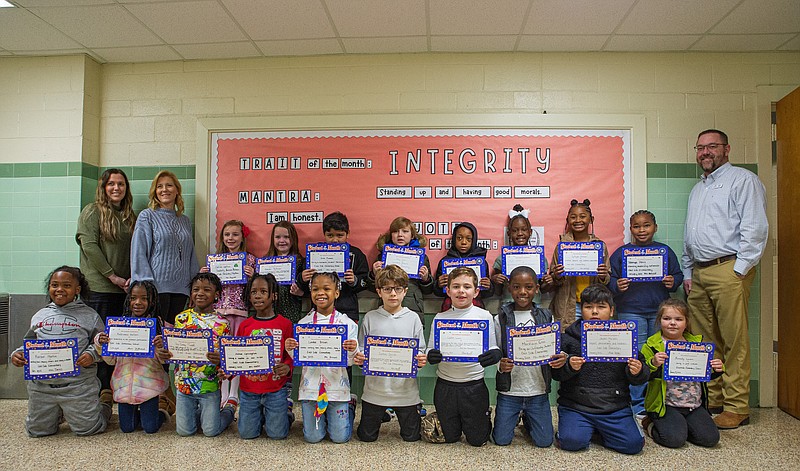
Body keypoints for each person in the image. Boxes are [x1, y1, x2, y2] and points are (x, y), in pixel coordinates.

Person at [682, 129, 768, 429]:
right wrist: (688, 270)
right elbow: (691, 233)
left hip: (728, 267)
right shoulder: (699, 189)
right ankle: (714, 399)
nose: (705, 152)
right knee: (706, 341)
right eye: (700, 147)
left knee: (734, 340)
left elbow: (755, 227)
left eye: (712, 146)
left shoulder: (743, 180)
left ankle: (737, 406)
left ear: (726, 149)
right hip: (700, 272)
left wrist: (740, 268)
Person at [11, 266, 111, 437]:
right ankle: (57, 413)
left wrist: (91, 355)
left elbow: (102, 344)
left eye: (66, 285)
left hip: (77, 386)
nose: (59, 290)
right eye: (54, 285)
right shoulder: (40, 315)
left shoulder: (90, 315)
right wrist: (18, 354)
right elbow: (29, 343)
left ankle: (104, 406)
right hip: (42, 386)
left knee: (88, 430)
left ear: (77, 290)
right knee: (37, 432)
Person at [552, 284, 647, 455]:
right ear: (582, 310)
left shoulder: (624, 336)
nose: (594, 312)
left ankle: (600, 430)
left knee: (633, 445)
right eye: (588, 307)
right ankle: (587, 429)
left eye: (601, 307)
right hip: (576, 406)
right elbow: (556, 374)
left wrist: (637, 371)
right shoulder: (567, 338)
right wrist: (569, 367)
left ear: (611, 311)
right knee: (571, 442)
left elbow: (641, 376)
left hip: (615, 407)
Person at [608, 210, 683, 416]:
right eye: (637, 226)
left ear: (655, 227)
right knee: (636, 358)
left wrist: (672, 281)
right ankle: (637, 405)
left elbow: (678, 275)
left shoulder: (664, 252)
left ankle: (659, 401)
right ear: (630, 229)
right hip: (630, 312)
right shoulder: (622, 253)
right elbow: (609, 280)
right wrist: (618, 285)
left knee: (660, 356)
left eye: (646, 225)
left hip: (660, 314)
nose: (642, 230)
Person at [76, 168, 137, 406]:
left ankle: (113, 390)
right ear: (103, 187)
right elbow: (89, 246)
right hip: (99, 288)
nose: (116, 188)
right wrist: (113, 277)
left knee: (118, 343)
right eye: (111, 184)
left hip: (124, 291)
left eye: (121, 184)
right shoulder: (92, 212)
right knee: (100, 342)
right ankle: (99, 393)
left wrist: (131, 279)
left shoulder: (130, 216)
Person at [426, 267, 501, 446]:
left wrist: (494, 354)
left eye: (467, 287)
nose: (461, 291)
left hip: (474, 385)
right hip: (445, 386)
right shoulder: (440, 318)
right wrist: (431, 355)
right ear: (448, 290)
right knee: (450, 438)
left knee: (477, 440)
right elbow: (429, 350)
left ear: (476, 292)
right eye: (456, 286)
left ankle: (483, 416)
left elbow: (493, 347)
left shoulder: (484, 316)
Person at [493, 266, 566, 447]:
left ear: (536, 289)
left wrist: (560, 357)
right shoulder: (501, 317)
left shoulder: (546, 316)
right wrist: (500, 365)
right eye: (517, 287)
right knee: (501, 440)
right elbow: (494, 349)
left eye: (528, 287)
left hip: (537, 389)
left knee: (544, 442)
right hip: (510, 389)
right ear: (509, 287)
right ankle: (513, 417)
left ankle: (527, 420)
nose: (522, 292)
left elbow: (554, 348)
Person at [354, 265, 427, 442]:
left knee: (412, 437)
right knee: (366, 437)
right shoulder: (371, 317)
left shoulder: (413, 318)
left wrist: (420, 359)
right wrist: (360, 358)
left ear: (405, 291)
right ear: (379, 292)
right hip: (375, 391)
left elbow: (421, 350)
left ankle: (404, 413)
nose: (393, 293)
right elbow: (362, 349)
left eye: (398, 289)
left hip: (405, 392)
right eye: (387, 289)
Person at [285, 272, 359, 443]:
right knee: (312, 437)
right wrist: (290, 349)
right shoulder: (304, 324)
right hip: (311, 388)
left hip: (337, 387)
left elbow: (351, 360)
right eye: (315, 289)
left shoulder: (346, 324)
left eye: (327, 288)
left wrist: (353, 349)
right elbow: (299, 359)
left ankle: (349, 406)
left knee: (340, 438)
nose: (320, 293)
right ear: (310, 292)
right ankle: (325, 419)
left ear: (337, 293)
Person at [639, 299, 723, 448]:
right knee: (674, 440)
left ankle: (683, 426)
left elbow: (704, 376)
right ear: (659, 321)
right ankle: (650, 423)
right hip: (666, 405)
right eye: (667, 318)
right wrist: (654, 363)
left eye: (678, 319)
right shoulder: (651, 346)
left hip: (693, 405)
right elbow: (643, 376)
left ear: (686, 322)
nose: (672, 323)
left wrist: (716, 369)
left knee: (710, 439)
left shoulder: (697, 345)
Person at [159, 272, 234, 437]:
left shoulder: (223, 324)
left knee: (210, 431)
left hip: (210, 386)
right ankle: (202, 414)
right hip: (184, 385)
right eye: (196, 289)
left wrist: (221, 359)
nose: (200, 293)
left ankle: (228, 410)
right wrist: (165, 353)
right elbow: (172, 350)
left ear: (217, 295)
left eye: (207, 289)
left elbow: (228, 357)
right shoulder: (181, 319)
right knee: (185, 431)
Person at [94, 280, 170, 433]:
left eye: (144, 298)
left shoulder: (160, 326)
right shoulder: (118, 326)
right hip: (124, 385)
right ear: (128, 300)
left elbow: (165, 360)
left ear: (152, 301)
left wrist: (162, 346)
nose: (138, 302)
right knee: (127, 428)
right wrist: (101, 343)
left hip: (149, 386)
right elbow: (110, 361)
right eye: (133, 298)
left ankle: (162, 411)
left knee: (150, 428)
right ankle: (139, 414)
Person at [131, 170, 199, 326]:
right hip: (156, 288)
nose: (164, 190)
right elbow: (139, 252)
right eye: (159, 186)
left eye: (169, 185)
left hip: (181, 289)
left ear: (177, 190)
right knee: (157, 335)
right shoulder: (147, 216)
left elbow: (190, 255)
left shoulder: (184, 220)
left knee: (173, 336)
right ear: (155, 191)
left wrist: (195, 288)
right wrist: (144, 285)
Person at [201, 219, 256, 410]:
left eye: (235, 234)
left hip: (240, 311)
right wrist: (205, 276)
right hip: (219, 312)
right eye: (227, 235)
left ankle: (234, 394)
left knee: (236, 351)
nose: (230, 238)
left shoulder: (250, 260)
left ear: (242, 237)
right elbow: (208, 288)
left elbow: (256, 289)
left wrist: (252, 276)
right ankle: (222, 392)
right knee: (221, 351)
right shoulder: (215, 260)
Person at [236, 273, 295, 440]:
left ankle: (287, 414)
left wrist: (288, 367)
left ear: (273, 296)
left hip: (276, 389)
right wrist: (228, 370)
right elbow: (237, 356)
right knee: (247, 434)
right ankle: (262, 416)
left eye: (263, 291)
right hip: (249, 390)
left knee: (277, 435)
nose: (257, 296)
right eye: (253, 292)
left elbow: (291, 355)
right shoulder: (245, 326)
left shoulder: (285, 324)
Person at [541, 199, 610, 331]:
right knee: (568, 339)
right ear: (568, 220)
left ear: (591, 219)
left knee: (593, 337)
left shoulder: (599, 246)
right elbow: (553, 280)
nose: (578, 220)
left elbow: (606, 279)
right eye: (573, 217)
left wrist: (603, 275)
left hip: (593, 304)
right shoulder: (562, 246)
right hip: (568, 304)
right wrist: (556, 275)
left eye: (583, 216)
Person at [301, 212, 369, 325]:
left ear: (348, 234)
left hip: (348, 311)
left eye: (339, 235)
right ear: (324, 234)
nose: (335, 240)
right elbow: (302, 284)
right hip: (319, 312)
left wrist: (354, 281)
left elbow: (366, 281)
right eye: (330, 235)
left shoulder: (356, 255)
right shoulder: (315, 253)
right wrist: (302, 278)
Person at [369, 216, 435, 321]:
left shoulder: (421, 257)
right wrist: (374, 274)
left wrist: (426, 279)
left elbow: (428, 290)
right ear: (391, 235)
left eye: (405, 231)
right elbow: (373, 288)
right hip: (387, 308)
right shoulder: (382, 257)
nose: (400, 235)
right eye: (395, 231)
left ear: (412, 235)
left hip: (413, 306)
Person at [491, 204, 553, 305]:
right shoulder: (502, 259)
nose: (520, 233)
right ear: (509, 233)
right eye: (515, 230)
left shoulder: (540, 258)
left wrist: (548, 282)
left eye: (524, 230)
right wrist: (495, 280)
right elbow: (497, 292)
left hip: (534, 304)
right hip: (508, 305)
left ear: (530, 232)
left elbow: (543, 289)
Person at [433, 222, 493, 310]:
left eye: (468, 239)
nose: (464, 242)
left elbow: (485, 294)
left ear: (474, 240)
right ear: (454, 239)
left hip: (475, 306)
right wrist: (438, 285)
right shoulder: (445, 261)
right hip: (450, 307)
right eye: (459, 238)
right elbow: (438, 292)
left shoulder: (481, 262)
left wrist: (489, 286)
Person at [264, 221, 306, 324]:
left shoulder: (301, 262)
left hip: (292, 311)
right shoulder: (265, 262)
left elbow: (307, 290)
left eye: (286, 237)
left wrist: (301, 293)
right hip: (269, 311)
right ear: (272, 239)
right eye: (278, 237)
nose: (282, 241)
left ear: (293, 239)